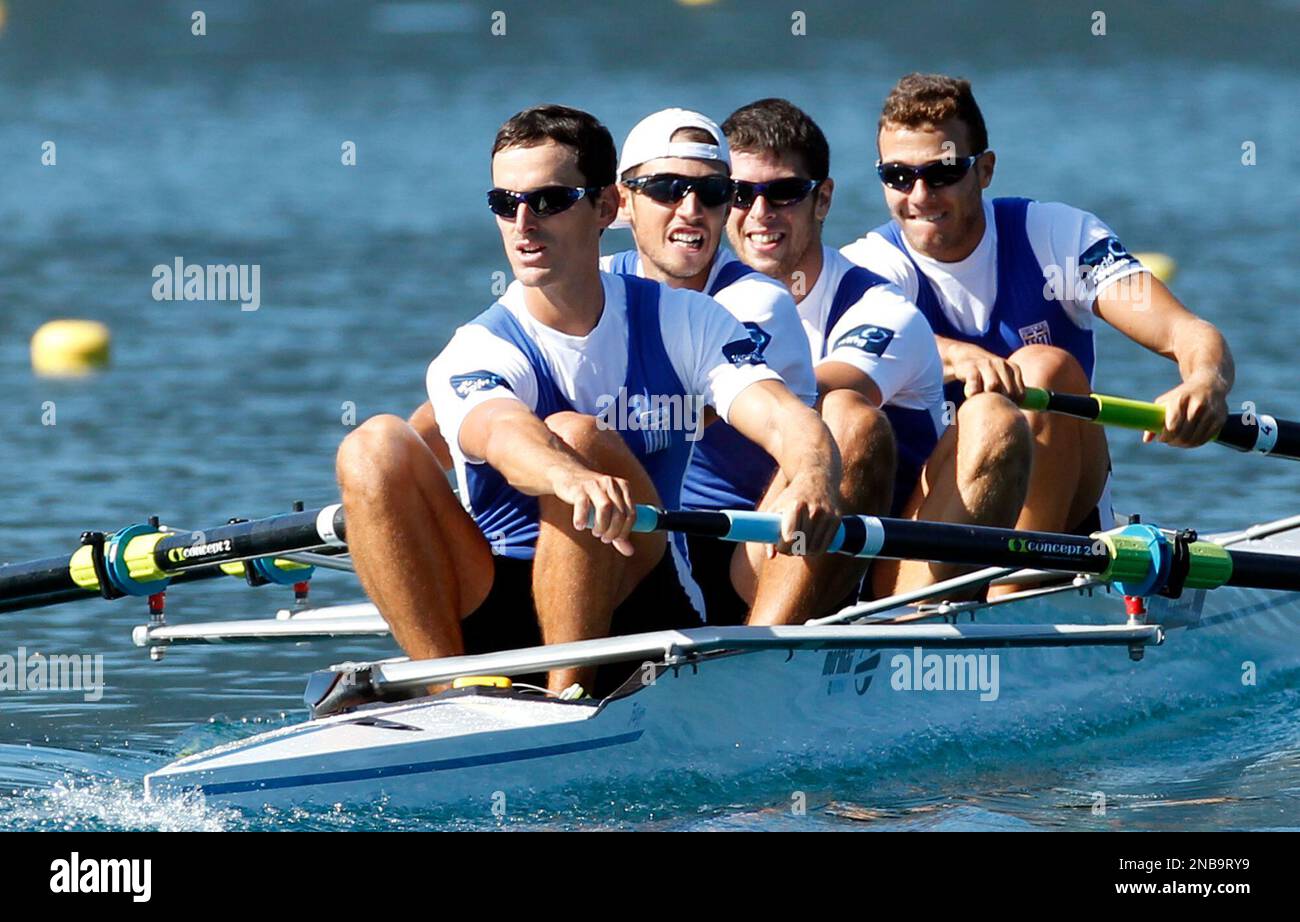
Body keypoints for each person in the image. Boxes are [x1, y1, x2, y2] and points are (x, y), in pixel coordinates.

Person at [335, 104, 843, 696]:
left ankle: (564, 696)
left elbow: (783, 415)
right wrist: (564, 476)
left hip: (641, 602)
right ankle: (447, 688)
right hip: (499, 599)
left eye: (548, 201)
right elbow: (497, 430)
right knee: (372, 446)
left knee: (580, 435)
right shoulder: (476, 347)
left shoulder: (687, 320)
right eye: (505, 203)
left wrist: (813, 478)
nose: (523, 223)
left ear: (605, 208)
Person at [842, 73, 1234, 595]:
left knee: (1041, 370)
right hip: (927, 531)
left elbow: (1184, 330)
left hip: (1067, 528)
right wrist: (957, 356)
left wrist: (1205, 382)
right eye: (897, 175)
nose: (918, 195)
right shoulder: (867, 266)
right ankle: (921, 610)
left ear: (984, 170)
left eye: (941, 174)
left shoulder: (1056, 238)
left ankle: (1014, 599)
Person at [722, 98, 981, 602]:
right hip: (722, 545)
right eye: (738, 193)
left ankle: (773, 661)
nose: (759, 213)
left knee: (844, 416)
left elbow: (803, 397)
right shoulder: (687, 294)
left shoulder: (882, 310)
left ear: (822, 200)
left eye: (783, 193)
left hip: (832, 570)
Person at [603, 108, 851, 625]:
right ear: (621, 202)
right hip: (636, 523)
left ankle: (763, 653)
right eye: (667, 189)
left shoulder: (755, 300)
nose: (690, 209)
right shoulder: (599, 280)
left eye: (714, 193)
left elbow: (678, 419)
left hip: (747, 545)